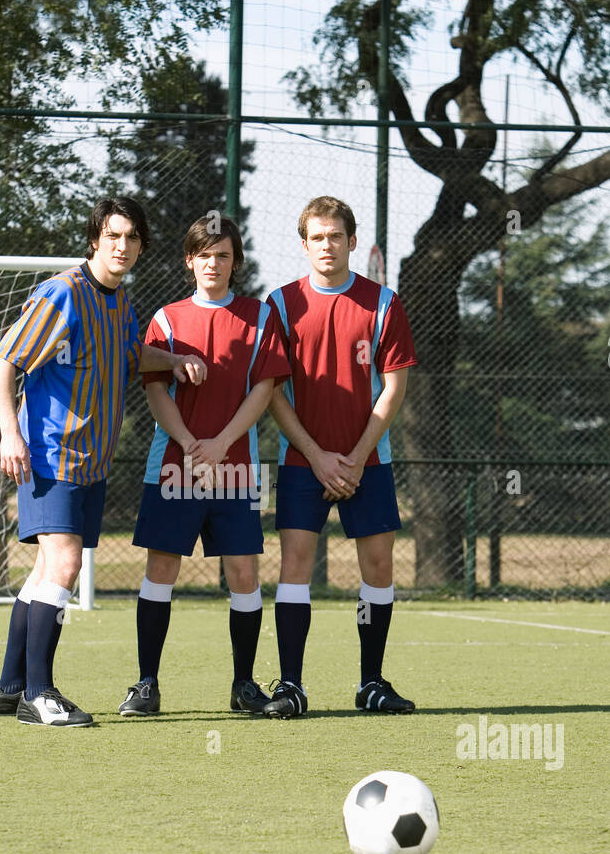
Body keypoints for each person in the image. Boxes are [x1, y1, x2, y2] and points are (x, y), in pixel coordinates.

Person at [0, 197, 206, 726]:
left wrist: (173, 360)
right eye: (112, 235)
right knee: (64, 564)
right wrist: (10, 435)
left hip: (91, 462)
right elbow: (3, 358)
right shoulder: (64, 293)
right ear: (94, 240)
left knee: (44, 571)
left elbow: (132, 354)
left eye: (131, 238)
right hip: (51, 454)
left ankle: (11, 684)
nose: (122, 246)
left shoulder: (118, 302)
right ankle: (39, 695)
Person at [118, 215, 290, 718]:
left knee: (242, 571)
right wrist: (193, 443)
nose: (213, 264)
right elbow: (154, 390)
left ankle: (244, 685)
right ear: (189, 260)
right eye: (204, 254)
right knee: (161, 569)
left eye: (224, 255)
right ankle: (146, 684)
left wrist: (222, 443)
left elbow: (264, 389)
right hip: (174, 466)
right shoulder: (167, 319)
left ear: (235, 262)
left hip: (234, 468)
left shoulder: (259, 317)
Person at [263, 197, 417, 719]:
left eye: (335, 236)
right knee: (295, 566)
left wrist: (352, 457)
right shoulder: (280, 305)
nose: (326, 246)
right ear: (303, 245)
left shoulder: (383, 302)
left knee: (378, 566)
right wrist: (318, 456)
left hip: (368, 461)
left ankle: (371, 683)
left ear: (352, 241)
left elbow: (394, 388)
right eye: (316, 237)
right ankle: (290, 687)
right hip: (303, 462)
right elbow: (273, 392)